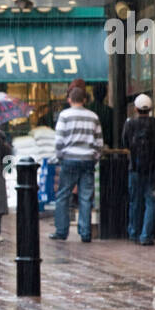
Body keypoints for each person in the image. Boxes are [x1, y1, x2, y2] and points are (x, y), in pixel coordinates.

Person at [49, 86, 103, 242]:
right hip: (87, 160)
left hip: (69, 159)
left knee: (63, 195)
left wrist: (60, 157)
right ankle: (85, 233)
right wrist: (95, 157)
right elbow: (99, 142)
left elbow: (59, 141)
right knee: (85, 197)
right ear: (85, 100)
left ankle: (61, 231)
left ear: (69, 100)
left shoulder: (64, 116)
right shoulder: (93, 116)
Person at [122, 93, 155, 246]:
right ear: (150, 108)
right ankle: (146, 235)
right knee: (152, 202)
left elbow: (125, 143)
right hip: (153, 168)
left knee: (135, 202)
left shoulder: (129, 124)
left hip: (134, 168)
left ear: (136, 108)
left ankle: (134, 233)